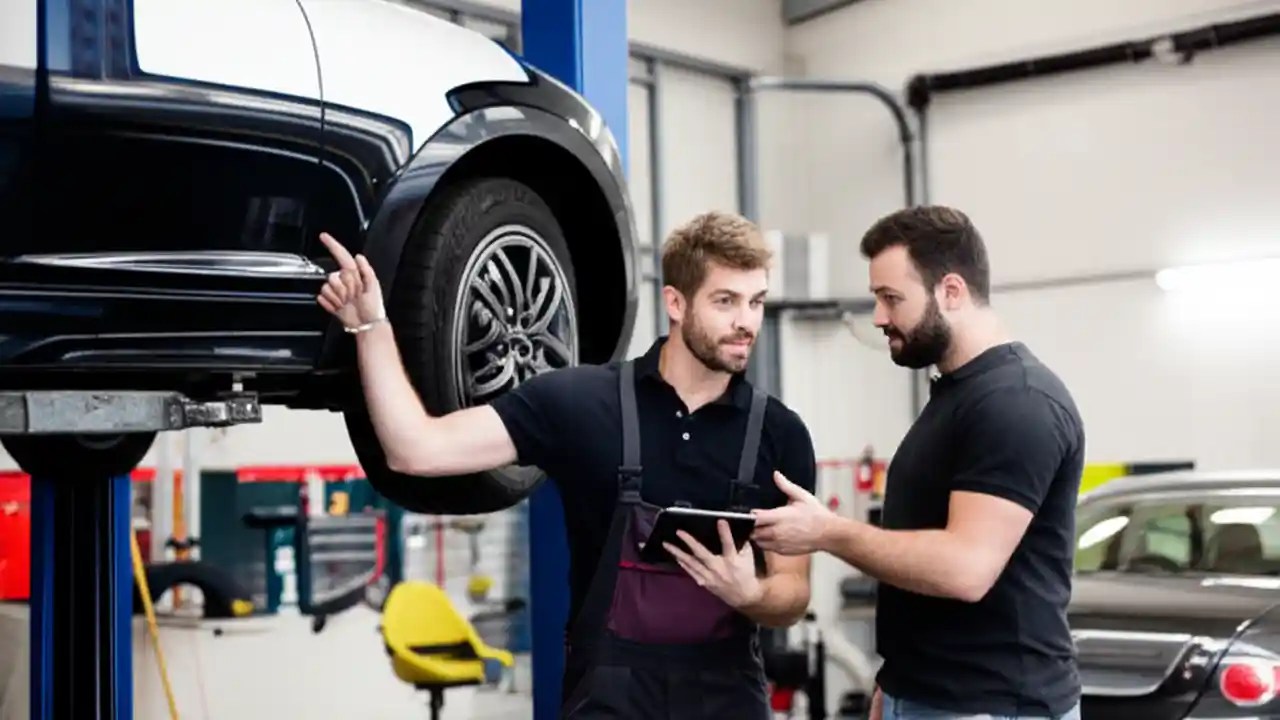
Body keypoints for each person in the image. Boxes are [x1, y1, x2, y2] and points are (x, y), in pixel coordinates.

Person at [315, 210, 817, 719]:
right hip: (609, 700)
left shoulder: (780, 434)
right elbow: (416, 449)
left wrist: (750, 593)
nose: (746, 323)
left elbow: (794, 592)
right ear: (675, 303)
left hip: (727, 699)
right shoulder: (580, 404)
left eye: (756, 302)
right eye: (726, 301)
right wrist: (371, 326)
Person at [751, 206, 1085, 720]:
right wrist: (900, 680)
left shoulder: (1017, 403)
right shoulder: (957, 394)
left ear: (951, 292)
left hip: (992, 706)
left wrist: (827, 532)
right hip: (928, 695)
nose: (879, 316)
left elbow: (964, 569)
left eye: (891, 299)